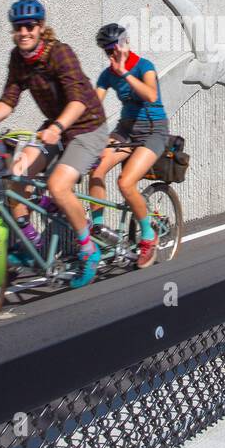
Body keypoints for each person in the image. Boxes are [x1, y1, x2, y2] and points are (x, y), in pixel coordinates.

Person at [0, 0, 109, 288]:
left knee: (58, 186)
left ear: (41, 28)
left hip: (86, 126)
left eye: (30, 26)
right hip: (54, 126)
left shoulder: (61, 53)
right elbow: (9, 101)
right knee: (16, 176)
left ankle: (88, 250)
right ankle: (31, 244)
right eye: (19, 27)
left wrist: (57, 127)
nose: (24, 32)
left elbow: (79, 100)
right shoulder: (18, 59)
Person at [88, 23, 169, 269]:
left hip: (153, 130)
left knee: (125, 182)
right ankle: (100, 233)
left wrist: (124, 73)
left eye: (114, 48)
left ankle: (148, 235)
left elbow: (151, 95)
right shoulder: (106, 74)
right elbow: (93, 105)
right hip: (126, 129)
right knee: (96, 170)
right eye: (107, 51)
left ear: (125, 43)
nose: (112, 54)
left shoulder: (145, 67)